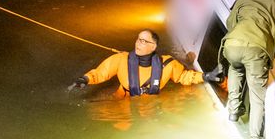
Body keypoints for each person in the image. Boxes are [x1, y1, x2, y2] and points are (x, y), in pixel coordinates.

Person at [217, 0, 275, 139]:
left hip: (231, 44)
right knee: (258, 98)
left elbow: (230, 23)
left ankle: (234, 110)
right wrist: (269, 53)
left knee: (235, 67)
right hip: (257, 48)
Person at [70, 30, 203, 97]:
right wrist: (85, 79)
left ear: (153, 47)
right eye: (138, 40)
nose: (139, 43)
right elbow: (101, 73)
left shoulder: (168, 64)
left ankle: (187, 60)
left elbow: (184, 77)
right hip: (122, 100)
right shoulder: (121, 59)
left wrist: (205, 76)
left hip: (151, 106)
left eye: (144, 41)